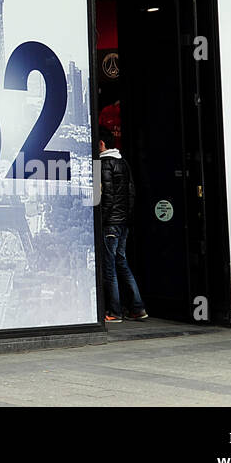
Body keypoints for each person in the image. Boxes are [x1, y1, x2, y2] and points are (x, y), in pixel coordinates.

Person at [98, 129, 147, 323]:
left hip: (110, 223)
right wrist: (125, 217)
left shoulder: (100, 164)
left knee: (109, 268)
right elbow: (132, 193)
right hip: (123, 222)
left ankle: (115, 311)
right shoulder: (123, 162)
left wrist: (100, 220)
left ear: (101, 144)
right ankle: (137, 307)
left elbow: (102, 198)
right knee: (122, 264)